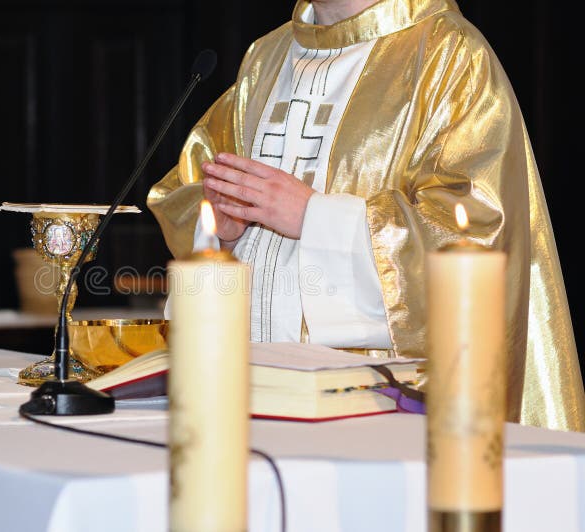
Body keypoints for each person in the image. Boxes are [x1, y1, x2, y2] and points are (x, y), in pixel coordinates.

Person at [147, 0, 585, 431]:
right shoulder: (267, 56)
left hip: (382, 406)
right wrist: (219, 229)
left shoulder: (448, 52)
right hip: (242, 389)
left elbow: (477, 231)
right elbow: (190, 187)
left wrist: (313, 217)